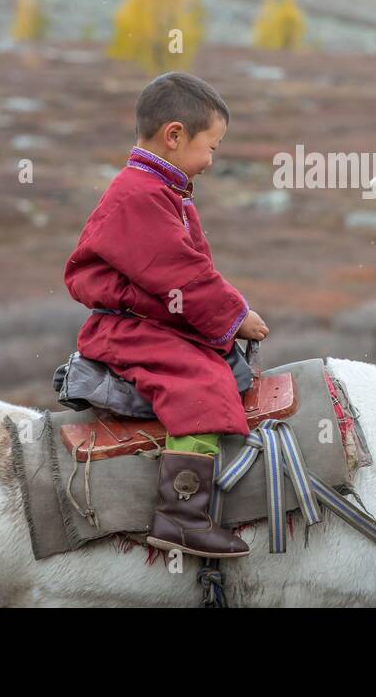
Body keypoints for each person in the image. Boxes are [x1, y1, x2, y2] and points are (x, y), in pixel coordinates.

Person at [63, 71, 270, 559]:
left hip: (146, 322)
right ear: (174, 136)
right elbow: (180, 274)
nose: (213, 161)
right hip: (127, 330)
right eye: (212, 147)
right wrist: (235, 315)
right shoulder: (139, 195)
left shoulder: (160, 190)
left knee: (212, 364)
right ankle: (181, 515)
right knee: (199, 383)